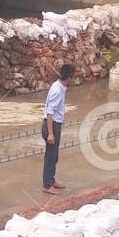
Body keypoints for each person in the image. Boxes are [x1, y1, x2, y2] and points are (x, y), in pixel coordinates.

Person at [42, 63, 72, 195]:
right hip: (52, 125)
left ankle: (51, 180)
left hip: (55, 125)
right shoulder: (57, 90)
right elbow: (49, 112)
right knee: (50, 156)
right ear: (69, 78)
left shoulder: (60, 87)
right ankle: (47, 185)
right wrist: (50, 133)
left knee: (54, 156)